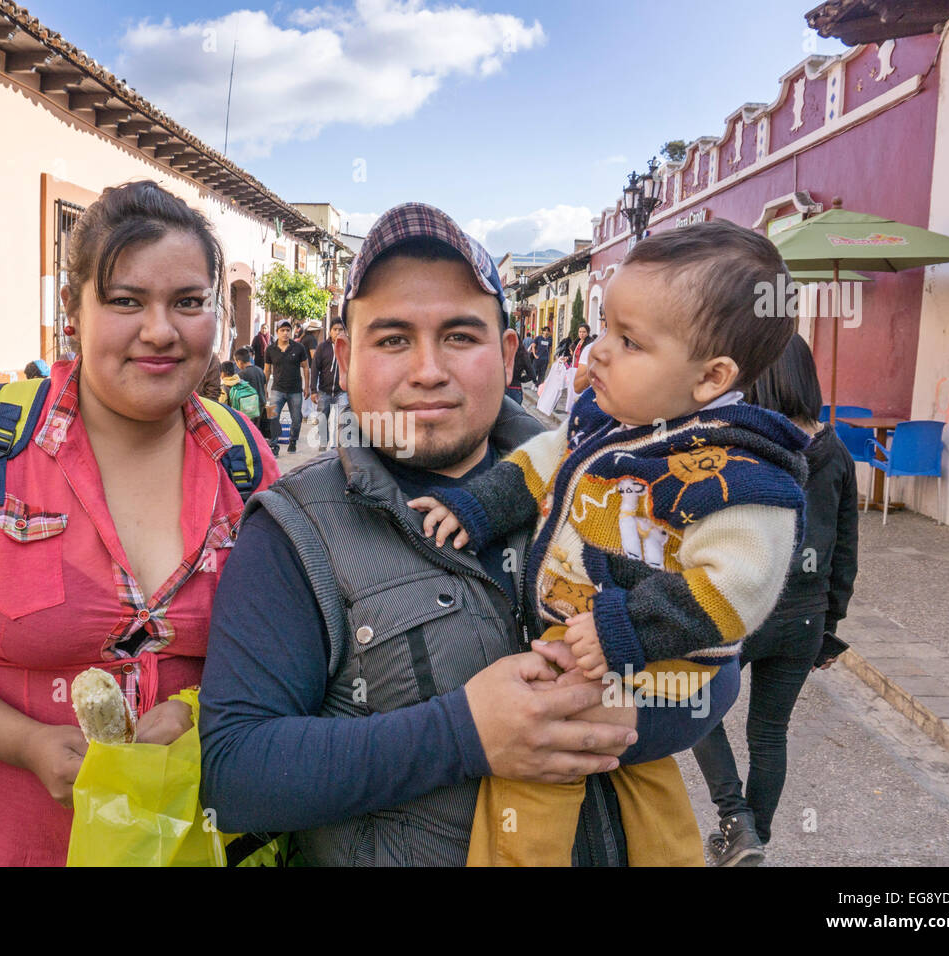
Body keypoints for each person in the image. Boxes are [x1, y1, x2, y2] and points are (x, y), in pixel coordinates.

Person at [199, 202, 740, 866]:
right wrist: (464, 734)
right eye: (393, 339)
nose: (428, 369)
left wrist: (622, 718)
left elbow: (718, 668)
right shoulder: (294, 532)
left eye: (460, 336)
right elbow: (235, 774)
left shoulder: (609, 486)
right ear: (343, 356)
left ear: (508, 353)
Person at [0, 180, 278, 867]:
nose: (160, 330)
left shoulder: (242, 457)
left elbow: (288, 646)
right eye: (125, 300)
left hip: (196, 838)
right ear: (73, 311)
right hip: (19, 845)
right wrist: (24, 742)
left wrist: (195, 708)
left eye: (188, 302)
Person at [409, 218, 808, 866]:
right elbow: (545, 461)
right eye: (602, 329)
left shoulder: (739, 470)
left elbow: (739, 586)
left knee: (540, 751)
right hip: (633, 670)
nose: (596, 352)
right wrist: (478, 507)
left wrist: (628, 629)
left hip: (662, 674)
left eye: (627, 342)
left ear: (710, 378)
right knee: (639, 775)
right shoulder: (618, 425)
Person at [692, 333, 858, 866]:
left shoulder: (739, 446)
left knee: (693, 706)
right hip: (803, 620)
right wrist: (830, 625)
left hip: (740, 609)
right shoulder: (836, 453)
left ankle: (736, 821)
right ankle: (752, 839)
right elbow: (844, 548)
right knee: (769, 735)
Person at [264, 319, 309, 454]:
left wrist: (307, 387)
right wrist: (264, 387)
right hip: (277, 389)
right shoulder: (270, 349)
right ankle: (273, 445)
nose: (285, 333)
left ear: (291, 332)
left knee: (296, 418)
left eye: (288, 330)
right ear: (277, 332)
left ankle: (293, 441)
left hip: (295, 390)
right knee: (272, 416)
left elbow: (306, 368)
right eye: (282, 330)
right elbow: (266, 370)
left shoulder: (299, 348)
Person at [310, 317, 347, 450]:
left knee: (340, 420)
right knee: (322, 419)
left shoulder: (348, 346)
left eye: (340, 329)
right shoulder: (322, 347)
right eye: (335, 329)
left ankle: (336, 448)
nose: (337, 332)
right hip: (324, 391)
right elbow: (315, 369)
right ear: (330, 331)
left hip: (342, 391)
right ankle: (323, 444)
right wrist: (313, 390)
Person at [234, 346, 275, 453]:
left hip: (249, 407)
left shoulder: (241, 374)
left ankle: (253, 451)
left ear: (239, 362)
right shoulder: (260, 370)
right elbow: (264, 387)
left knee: (249, 430)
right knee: (257, 429)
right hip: (261, 403)